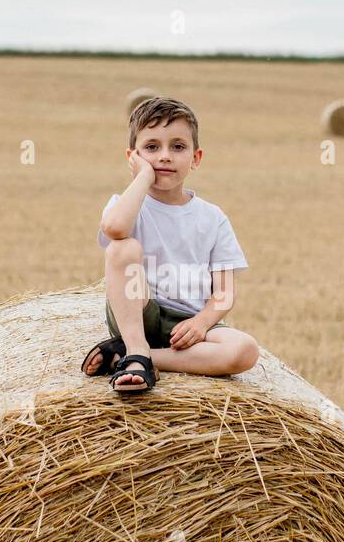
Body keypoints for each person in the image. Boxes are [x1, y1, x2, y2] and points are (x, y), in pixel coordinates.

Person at [81, 95, 259, 393]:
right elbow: (114, 229)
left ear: (196, 158)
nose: (164, 156)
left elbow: (225, 293)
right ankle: (136, 349)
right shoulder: (126, 205)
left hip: (190, 326)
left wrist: (202, 323)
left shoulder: (212, 217)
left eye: (177, 147)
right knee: (122, 247)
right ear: (133, 157)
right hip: (140, 313)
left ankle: (132, 358)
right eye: (152, 147)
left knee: (245, 350)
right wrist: (142, 178)